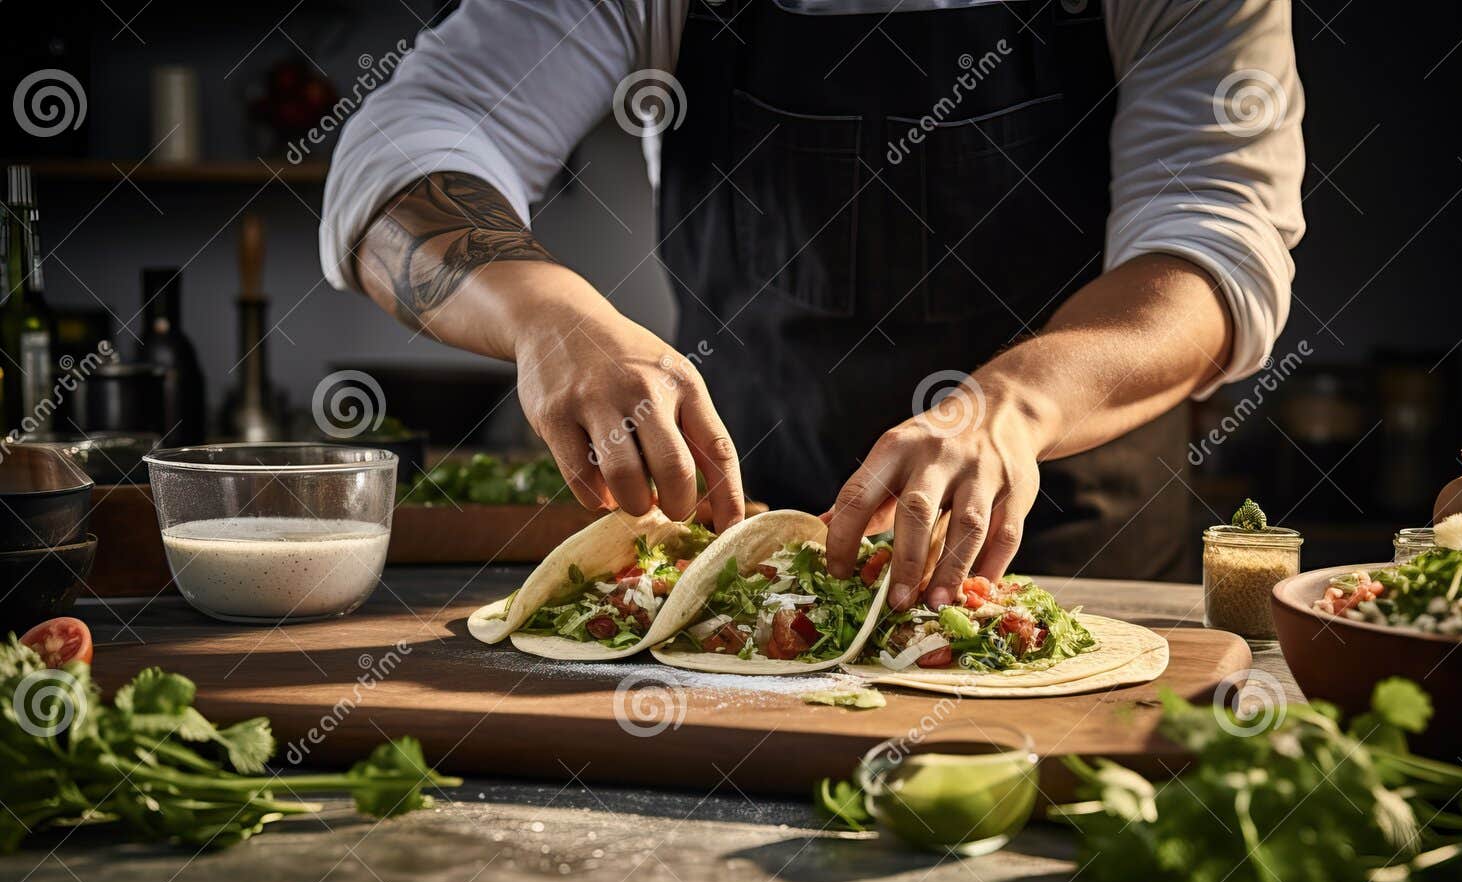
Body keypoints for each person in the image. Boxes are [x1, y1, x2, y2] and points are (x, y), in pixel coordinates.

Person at [321, 0, 1303, 608]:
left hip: (1074, 559)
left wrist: (1012, 407)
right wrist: (547, 314)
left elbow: (1212, 242)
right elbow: (407, 148)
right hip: (743, 557)